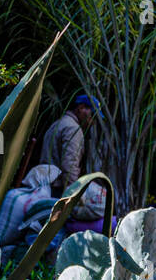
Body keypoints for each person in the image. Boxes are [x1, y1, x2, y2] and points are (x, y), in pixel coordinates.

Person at [40, 94, 107, 222]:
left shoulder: (60, 123)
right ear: (81, 108)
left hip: (47, 184)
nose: (92, 122)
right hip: (57, 188)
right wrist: (72, 196)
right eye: (92, 116)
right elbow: (69, 166)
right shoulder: (73, 129)